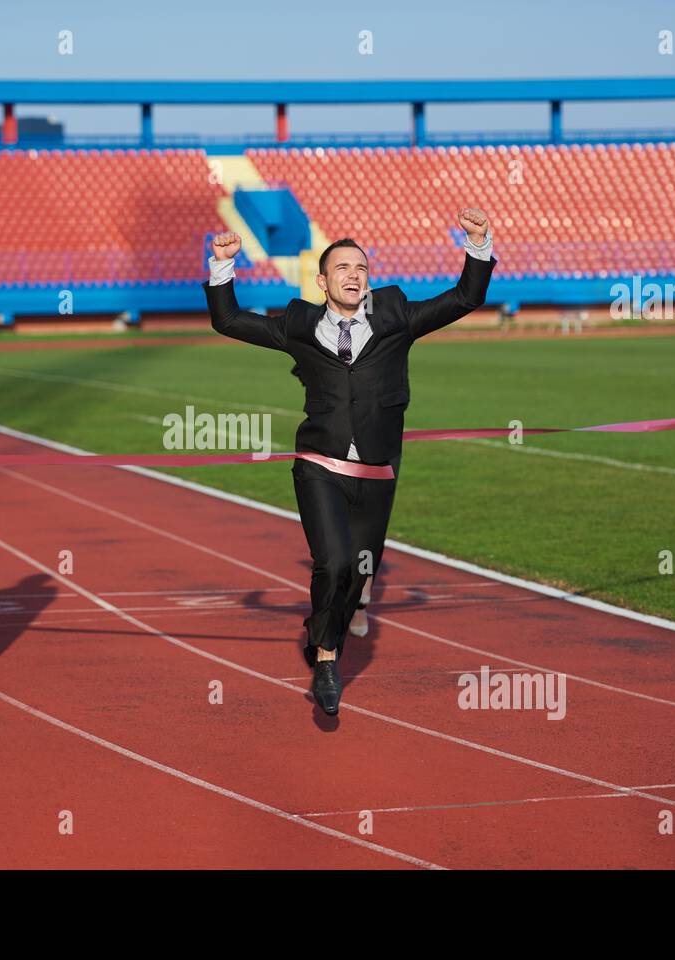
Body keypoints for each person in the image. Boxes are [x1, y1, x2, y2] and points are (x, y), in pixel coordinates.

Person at [204, 211, 495, 715]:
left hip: (377, 474)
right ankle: (326, 658)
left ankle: (324, 630)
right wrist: (222, 267)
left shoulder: (396, 315)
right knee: (333, 562)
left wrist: (477, 243)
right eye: (342, 268)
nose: (353, 275)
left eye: (361, 267)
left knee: (358, 575)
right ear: (322, 281)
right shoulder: (298, 323)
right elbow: (229, 321)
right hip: (319, 466)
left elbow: (464, 298)